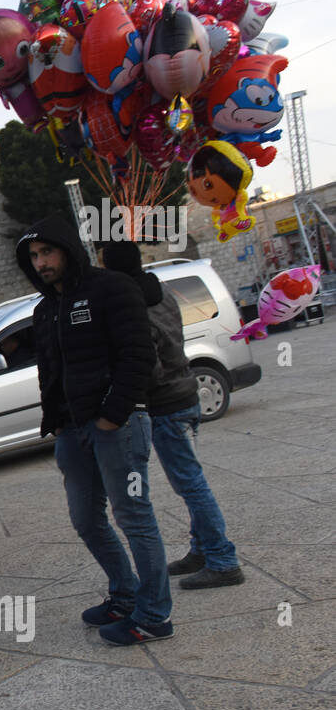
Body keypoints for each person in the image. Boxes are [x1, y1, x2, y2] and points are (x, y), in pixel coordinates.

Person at [16, 214, 173, 645]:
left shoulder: (112, 288)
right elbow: (50, 371)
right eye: (33, 256)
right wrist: (56, 422)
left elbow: (139, 353)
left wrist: (113, 413)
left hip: (117, 426)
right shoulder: (45, 309)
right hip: (73, 431)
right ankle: (123, 595)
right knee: (86, 520)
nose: (41, 262)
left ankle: (154, 616)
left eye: (47, 251)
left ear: (67, 249)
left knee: (134, 518)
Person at [100, 240, 245, 590]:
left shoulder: (132, 305)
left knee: (191, 484)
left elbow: (147, 364)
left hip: (167, 404)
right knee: (190, 481)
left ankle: (224, 561)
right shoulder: (160, 290)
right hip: (187, 393)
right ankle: (203, 550)